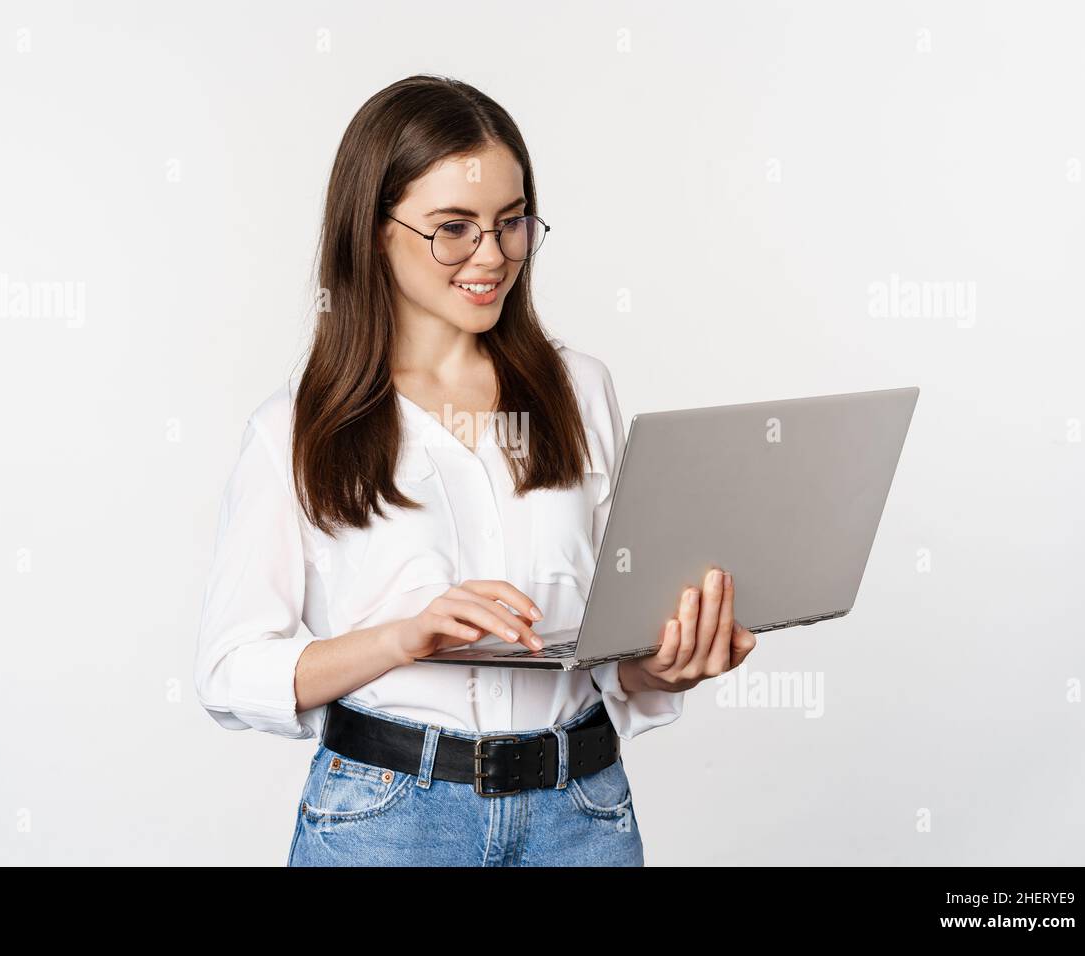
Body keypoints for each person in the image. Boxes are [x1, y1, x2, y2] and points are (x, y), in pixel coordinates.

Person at [194, 74, 758, 866]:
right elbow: (229, 671)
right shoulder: (295, 428)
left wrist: (669, 661)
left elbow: (610, 653)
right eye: (453, 228)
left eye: (512, 222)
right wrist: (402, 637)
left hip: (581, 814)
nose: (491, 257)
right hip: (386, 823)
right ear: (373, 230)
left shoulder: (580, 389)